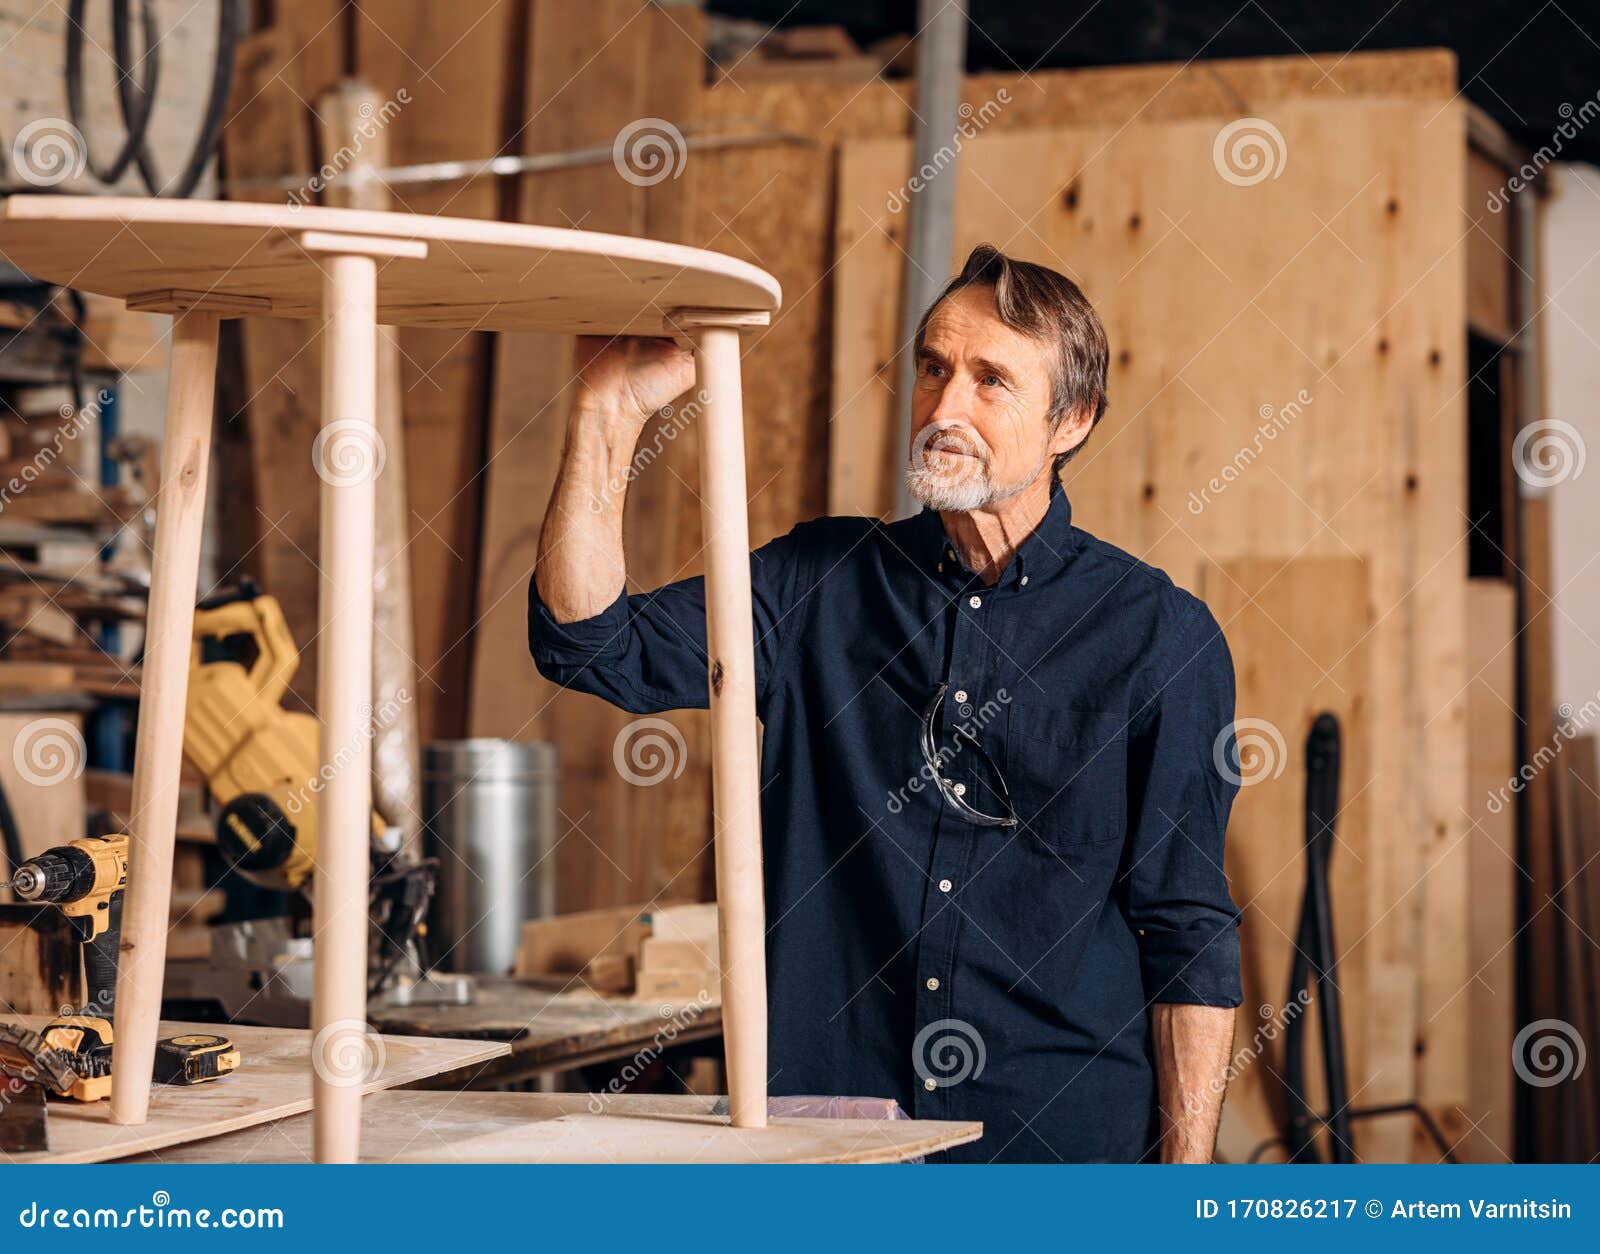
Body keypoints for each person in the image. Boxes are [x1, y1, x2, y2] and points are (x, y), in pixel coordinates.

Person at [529, 243, 1242, 1162]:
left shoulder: (1158, 638)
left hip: (1058, 1150)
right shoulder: (815, 585)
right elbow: (593, 645)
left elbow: (1186, 931)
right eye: (934, 369)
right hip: (833, 1145)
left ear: (1073, 420)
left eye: (992, 382)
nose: (945, 409)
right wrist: (607, 411)